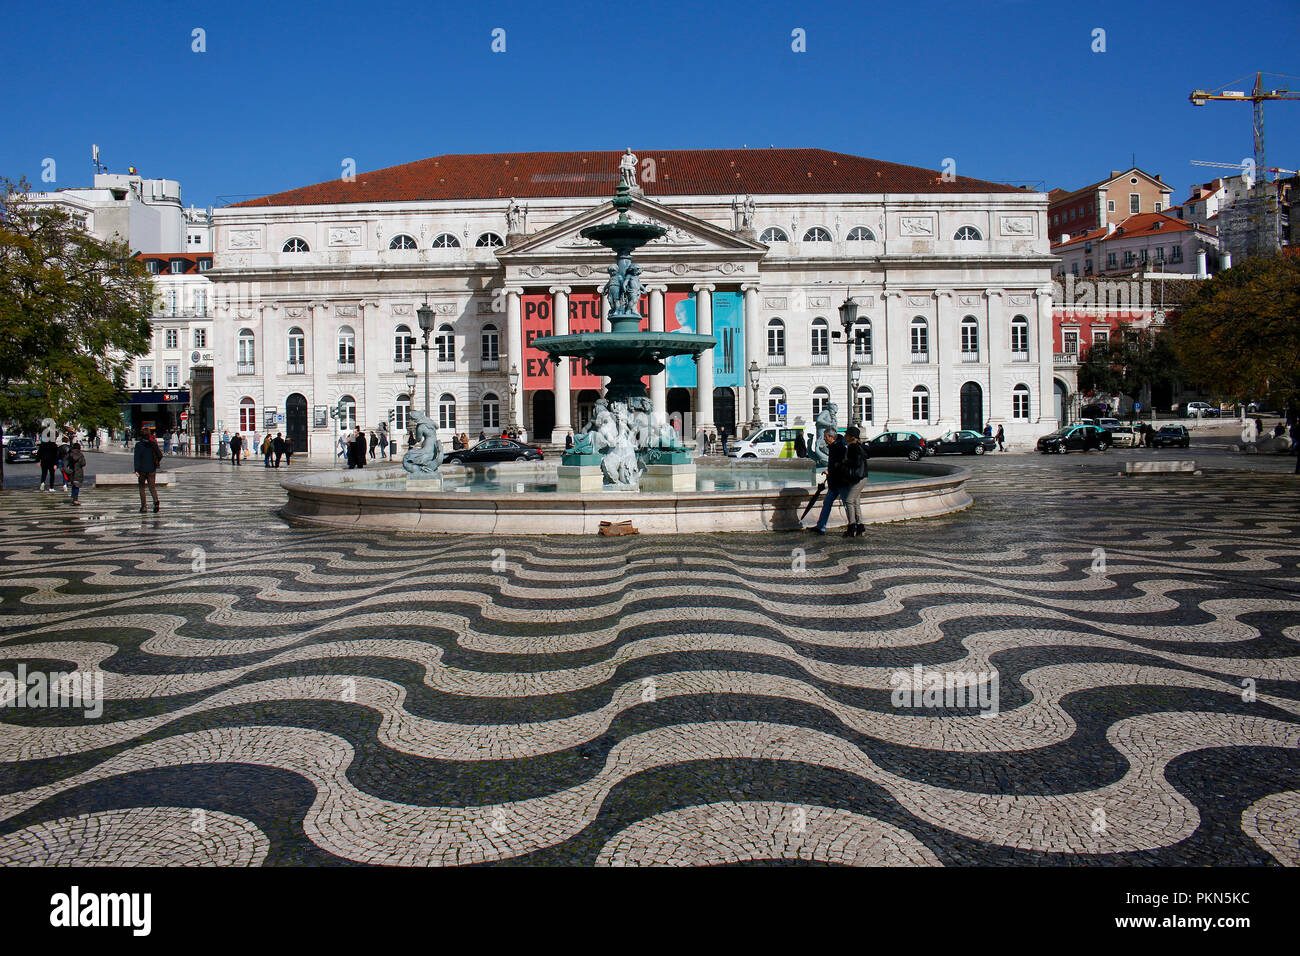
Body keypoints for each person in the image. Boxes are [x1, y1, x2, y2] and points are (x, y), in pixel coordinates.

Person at [808, 427, 850, 534]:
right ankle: (821, 526)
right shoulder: (833, 446)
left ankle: (853, 525)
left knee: (847, 504)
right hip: (834, 481)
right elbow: (834, 463)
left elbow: (842, 463)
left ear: (831, 437)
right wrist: (829, 470)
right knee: (827, 503)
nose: (825, 440)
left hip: (841, 481)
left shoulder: (840, 447)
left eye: (826, 437)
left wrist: (834, 469)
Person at [840, 426, 870, 537]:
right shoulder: (859, 446)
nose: (844, 436)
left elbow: (856, 462)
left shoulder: (853, 447)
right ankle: (860, 527)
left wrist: (845, 462)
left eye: (846, 434)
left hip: (858, 477)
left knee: (849, 501)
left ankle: (851, 527)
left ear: (851, 437)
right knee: (856, 502)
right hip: (861, 477)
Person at [134, 430, 162, 513]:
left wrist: (136, 469)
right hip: (152, 469)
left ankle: (144, 506)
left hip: (142, 469)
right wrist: (155, 462)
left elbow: (136, 458)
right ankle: (156, 501)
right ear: (149, 435)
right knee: (152, 487)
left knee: (142, 488)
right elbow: (160, 455)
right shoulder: (153, 444)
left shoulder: (138, 445)